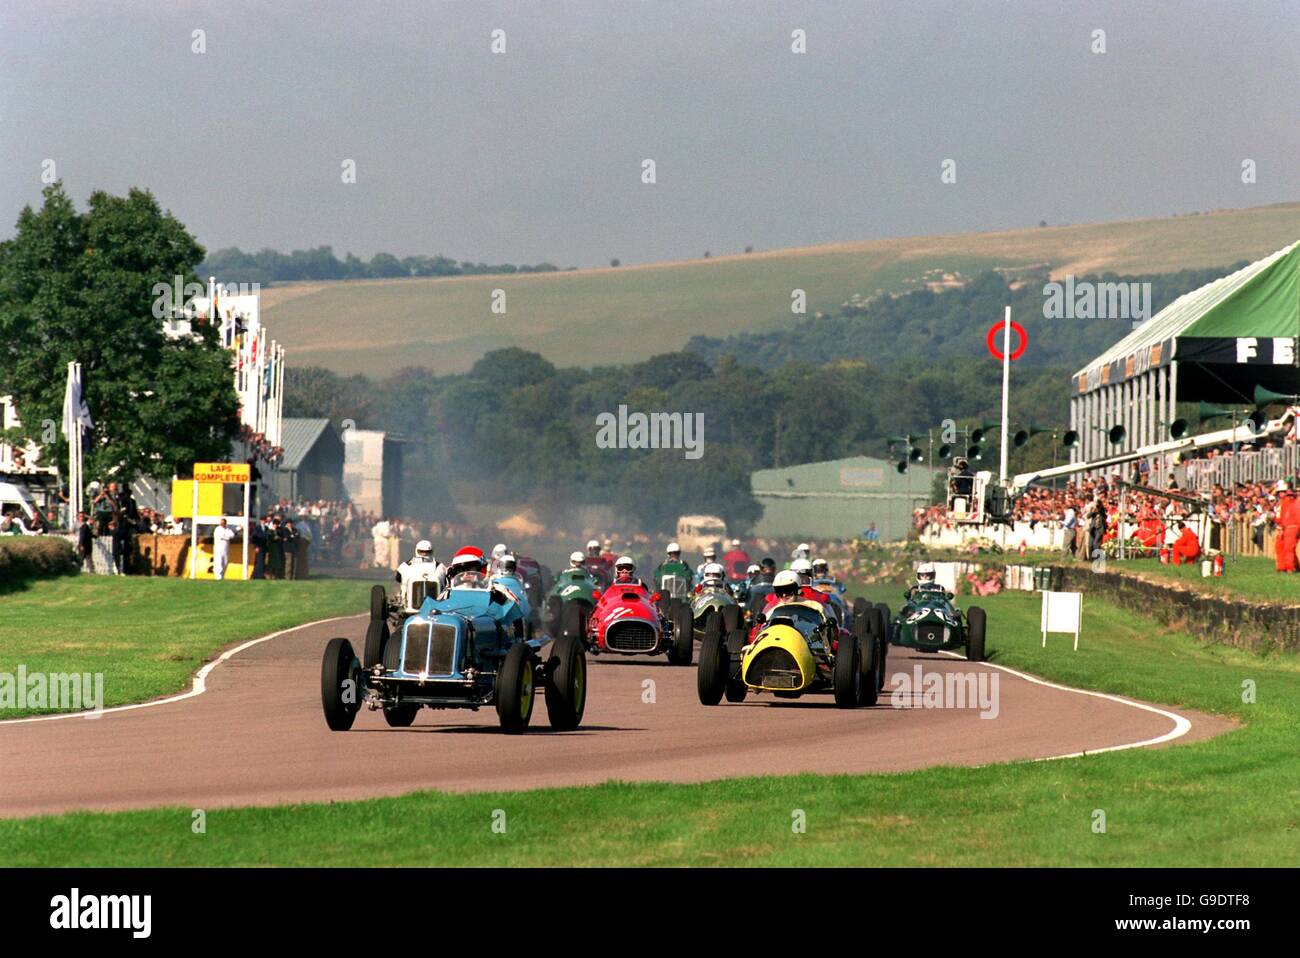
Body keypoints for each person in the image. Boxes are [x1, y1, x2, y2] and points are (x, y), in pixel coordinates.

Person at [397, 539, 446, 610]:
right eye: (421, 551)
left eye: (427, 552)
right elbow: (398, 578)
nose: (424, 554)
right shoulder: (405, 566)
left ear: (431, 551)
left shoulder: (440, 567)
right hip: (407, 604)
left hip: (436, 605)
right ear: (417, 550)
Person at [1275, 481, 1299, 573]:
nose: (1281, 494)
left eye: (1283, 492)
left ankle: (1288, 567)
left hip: (1288, 527)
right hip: (1284, 527)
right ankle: (1287, 566)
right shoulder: (1282, 502)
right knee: (1282, 547)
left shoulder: (1288, 503)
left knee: (1287, 548)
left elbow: (1286, 517)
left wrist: (1282, 527)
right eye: (1279, 492)